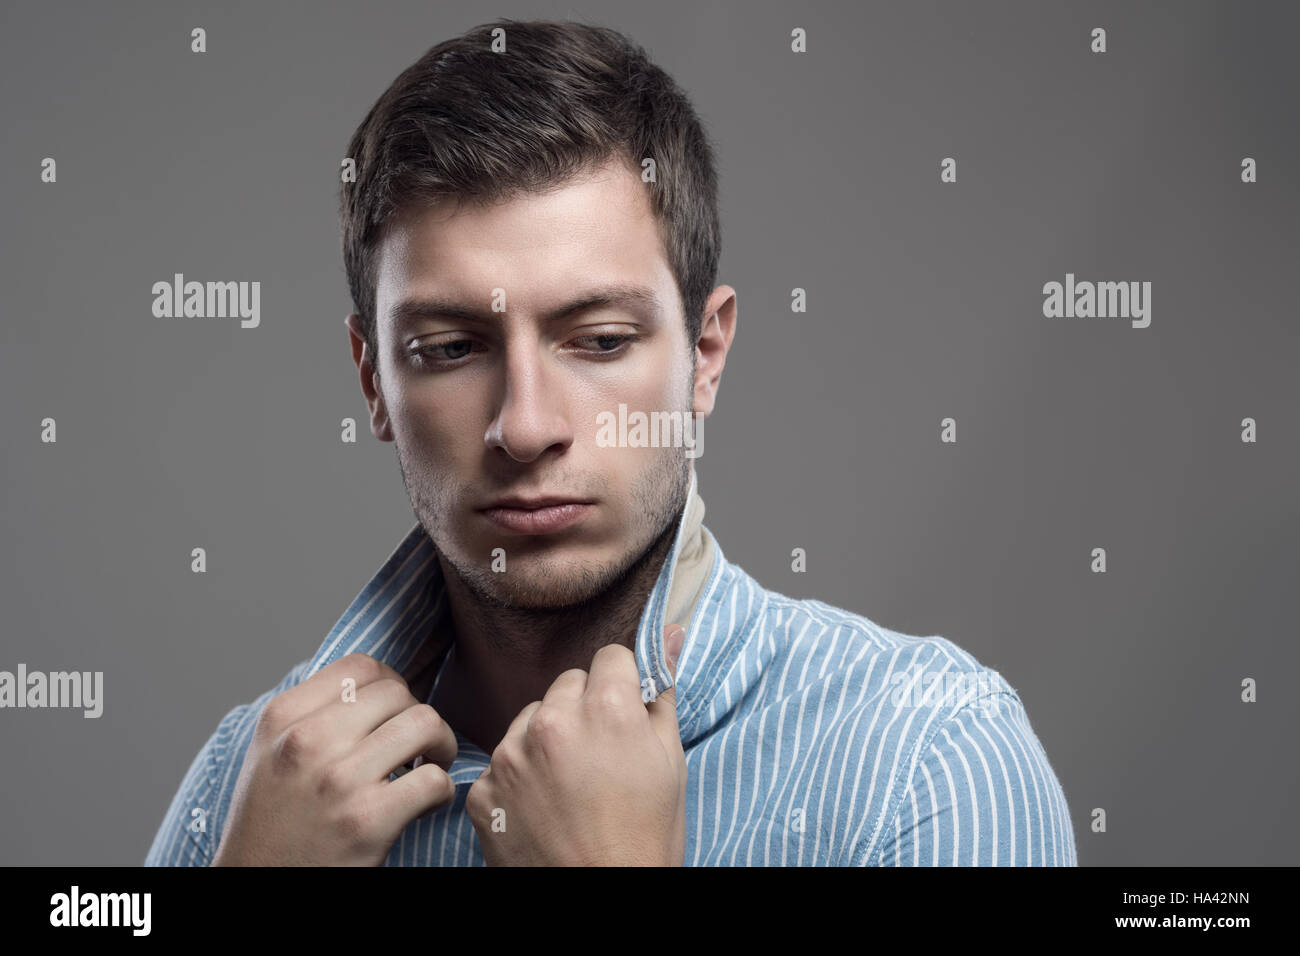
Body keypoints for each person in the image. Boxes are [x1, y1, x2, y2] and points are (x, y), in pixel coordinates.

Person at [146, 18, 1076, 866]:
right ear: (372, 380)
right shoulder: (248, 786)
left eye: (598, 341)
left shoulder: (925, 758)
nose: (527, 425)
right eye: (450, 349)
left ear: (704, 356)